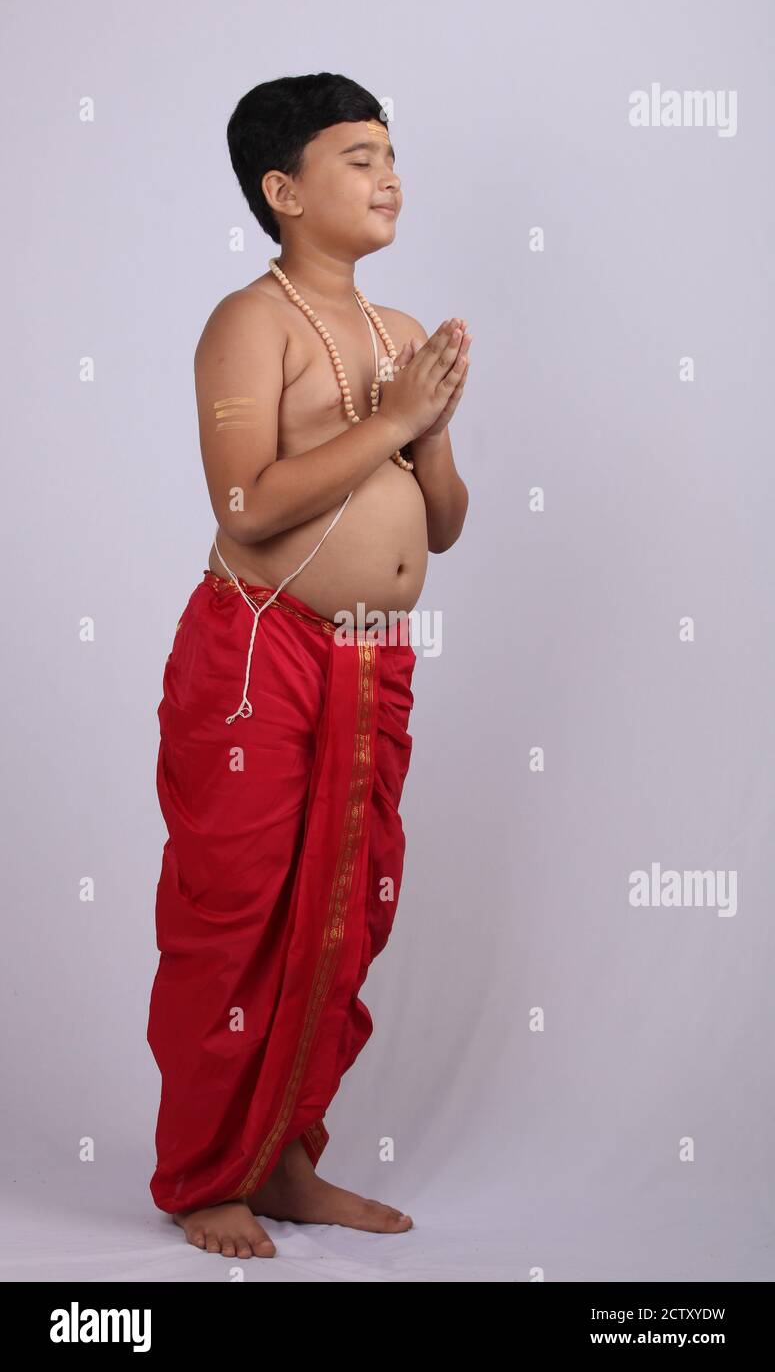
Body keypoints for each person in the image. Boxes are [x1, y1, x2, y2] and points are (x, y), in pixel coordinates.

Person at [146, 71, 470, 1260]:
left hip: (376, 657)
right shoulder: (252, 319)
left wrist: (427, 433)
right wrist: (385, 424)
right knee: (238, 910)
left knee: (342, 912)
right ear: (283, 191)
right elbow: (245, 505)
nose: (387, 173)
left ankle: (284, 1158)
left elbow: (441, 525)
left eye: (390, 151)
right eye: (356, 155)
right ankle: (203, 1174)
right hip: (261, 647)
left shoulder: (397, 334)